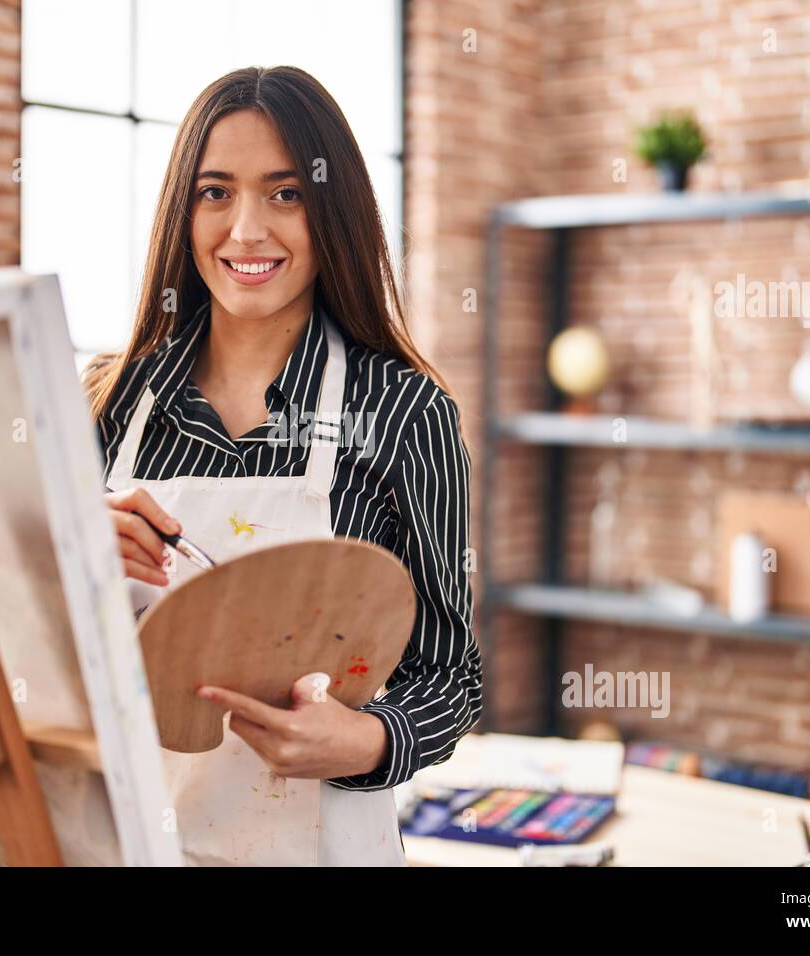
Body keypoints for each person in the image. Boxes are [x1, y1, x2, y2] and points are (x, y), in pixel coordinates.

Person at [86, 65, 481, 866]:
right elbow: (29, 650)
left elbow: (451, 675)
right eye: (216, 192)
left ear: (331, 212)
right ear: (181, 211)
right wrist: (69, 564)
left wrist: (369, 739)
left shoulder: (408, 417)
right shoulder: (108, 404)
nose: (246, 232)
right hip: (127, 845)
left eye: (286, 193)